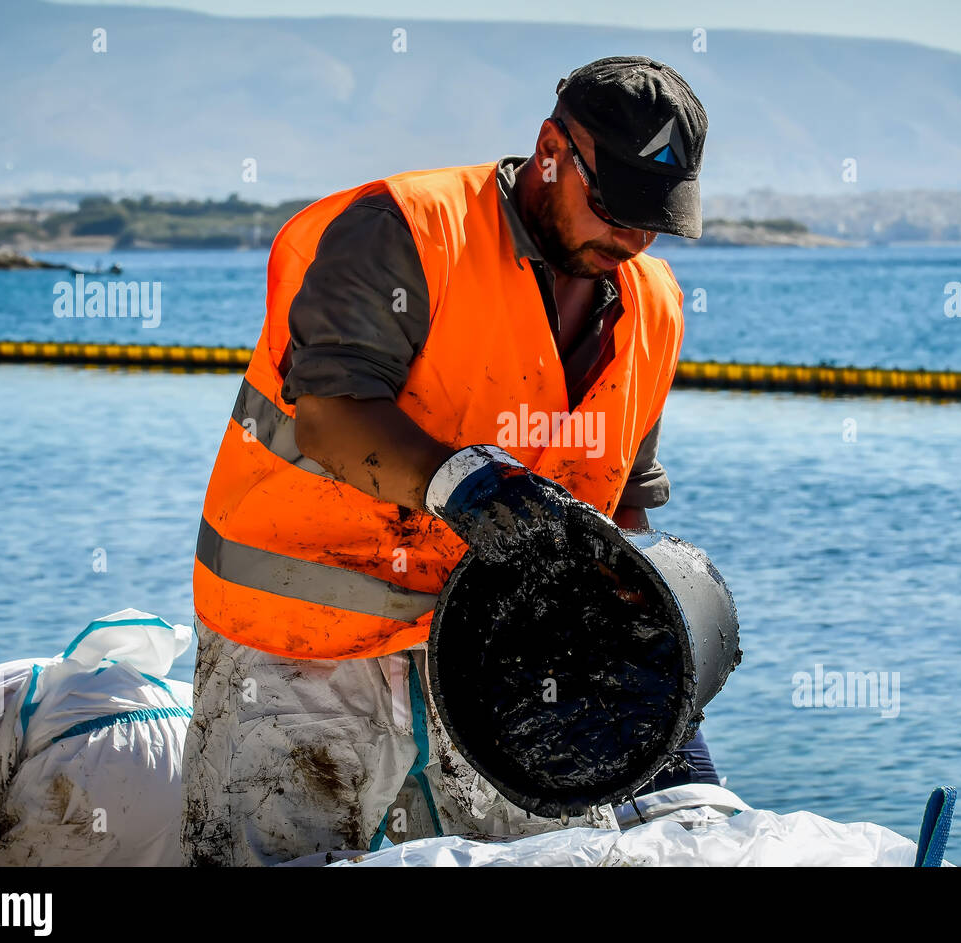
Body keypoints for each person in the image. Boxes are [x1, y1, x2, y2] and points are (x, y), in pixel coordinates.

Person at [182, 55, 716, 866]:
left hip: (496, 663)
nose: (632, 238)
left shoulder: (654, 306)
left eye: (656, 219)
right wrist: (474, 488)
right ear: (549, 150)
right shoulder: (405, 231)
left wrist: (661, 713)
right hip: (299, 649)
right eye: (613, 205)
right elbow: (330, 415)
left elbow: (621, 511)